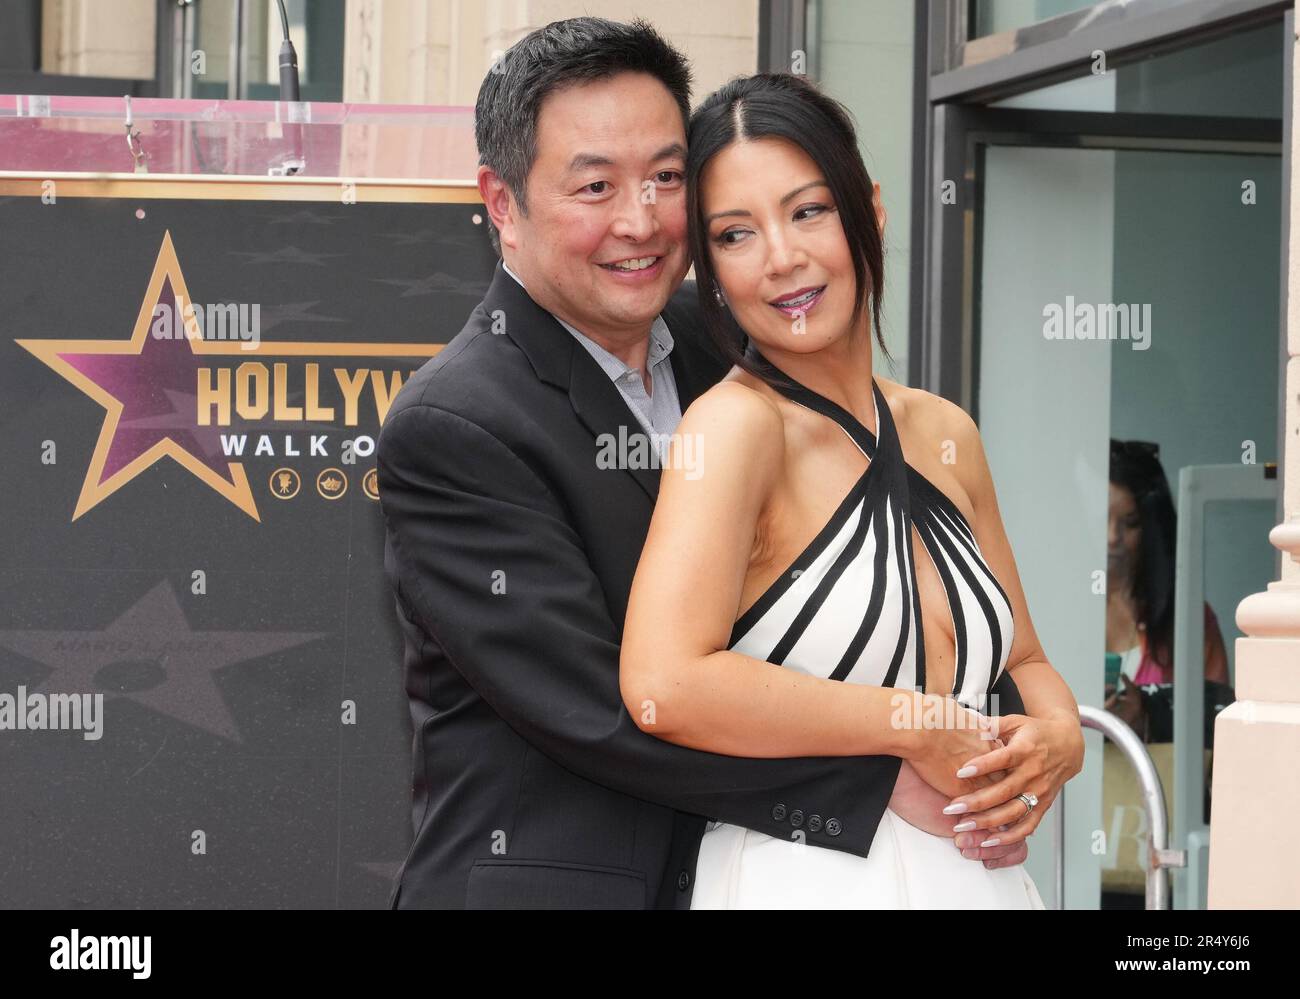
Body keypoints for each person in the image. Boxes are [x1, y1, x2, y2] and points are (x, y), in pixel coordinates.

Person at [377, 18, 1031, 909]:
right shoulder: (455, 424)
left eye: (665, 179)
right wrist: (879, 776)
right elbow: (604, 711)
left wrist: (1038, 734)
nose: (639, 221)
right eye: (596, 185)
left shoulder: (732, 339)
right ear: (501, 202)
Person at [619, 72, 1085, 908]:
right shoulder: (733, 430)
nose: (782, 258)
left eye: (808, 211)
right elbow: (665, 683)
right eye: (735, 234)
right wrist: (908, 722)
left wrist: (1059, 738)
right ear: (712, 270)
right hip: (809, 877)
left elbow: (1025, 657)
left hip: (988, 883)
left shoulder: (947, 432)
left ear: (868, 209)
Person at [1105, 438, 1231, 741]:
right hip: (1067, 787)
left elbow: (1217, 726)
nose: (1112, 537)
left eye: (1130, 523)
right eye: (1101, 518)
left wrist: (1148, 718)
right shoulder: (1052, 606)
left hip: (1156, 787)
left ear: (1151, 529)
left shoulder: (1189, 621)